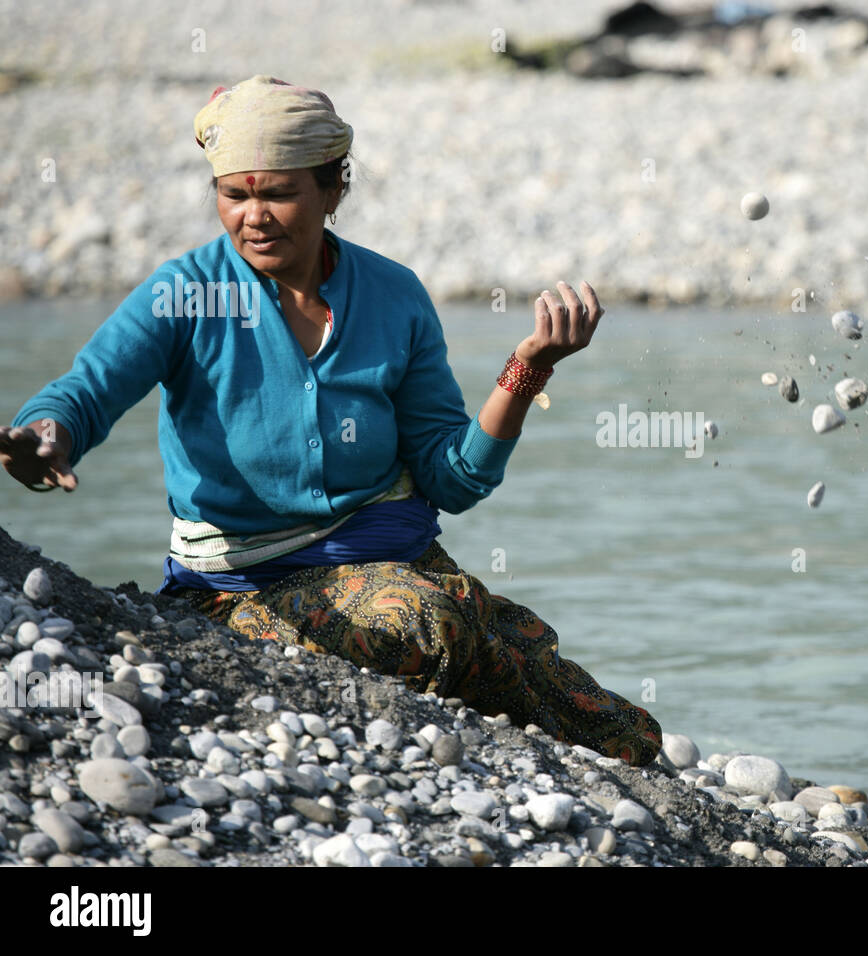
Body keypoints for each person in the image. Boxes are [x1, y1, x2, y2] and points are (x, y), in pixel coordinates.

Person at [1, 75, 662, 766]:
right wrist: (45, 438)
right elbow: (85, 391)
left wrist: (529, 369)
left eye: (278, 193)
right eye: (235, 195)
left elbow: (454, 479)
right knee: (424, 621)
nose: (253, 216)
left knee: (623, 735)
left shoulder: (394, 296)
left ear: (333, 189)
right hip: (244, 595)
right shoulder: (185, 293)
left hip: (408, 563)